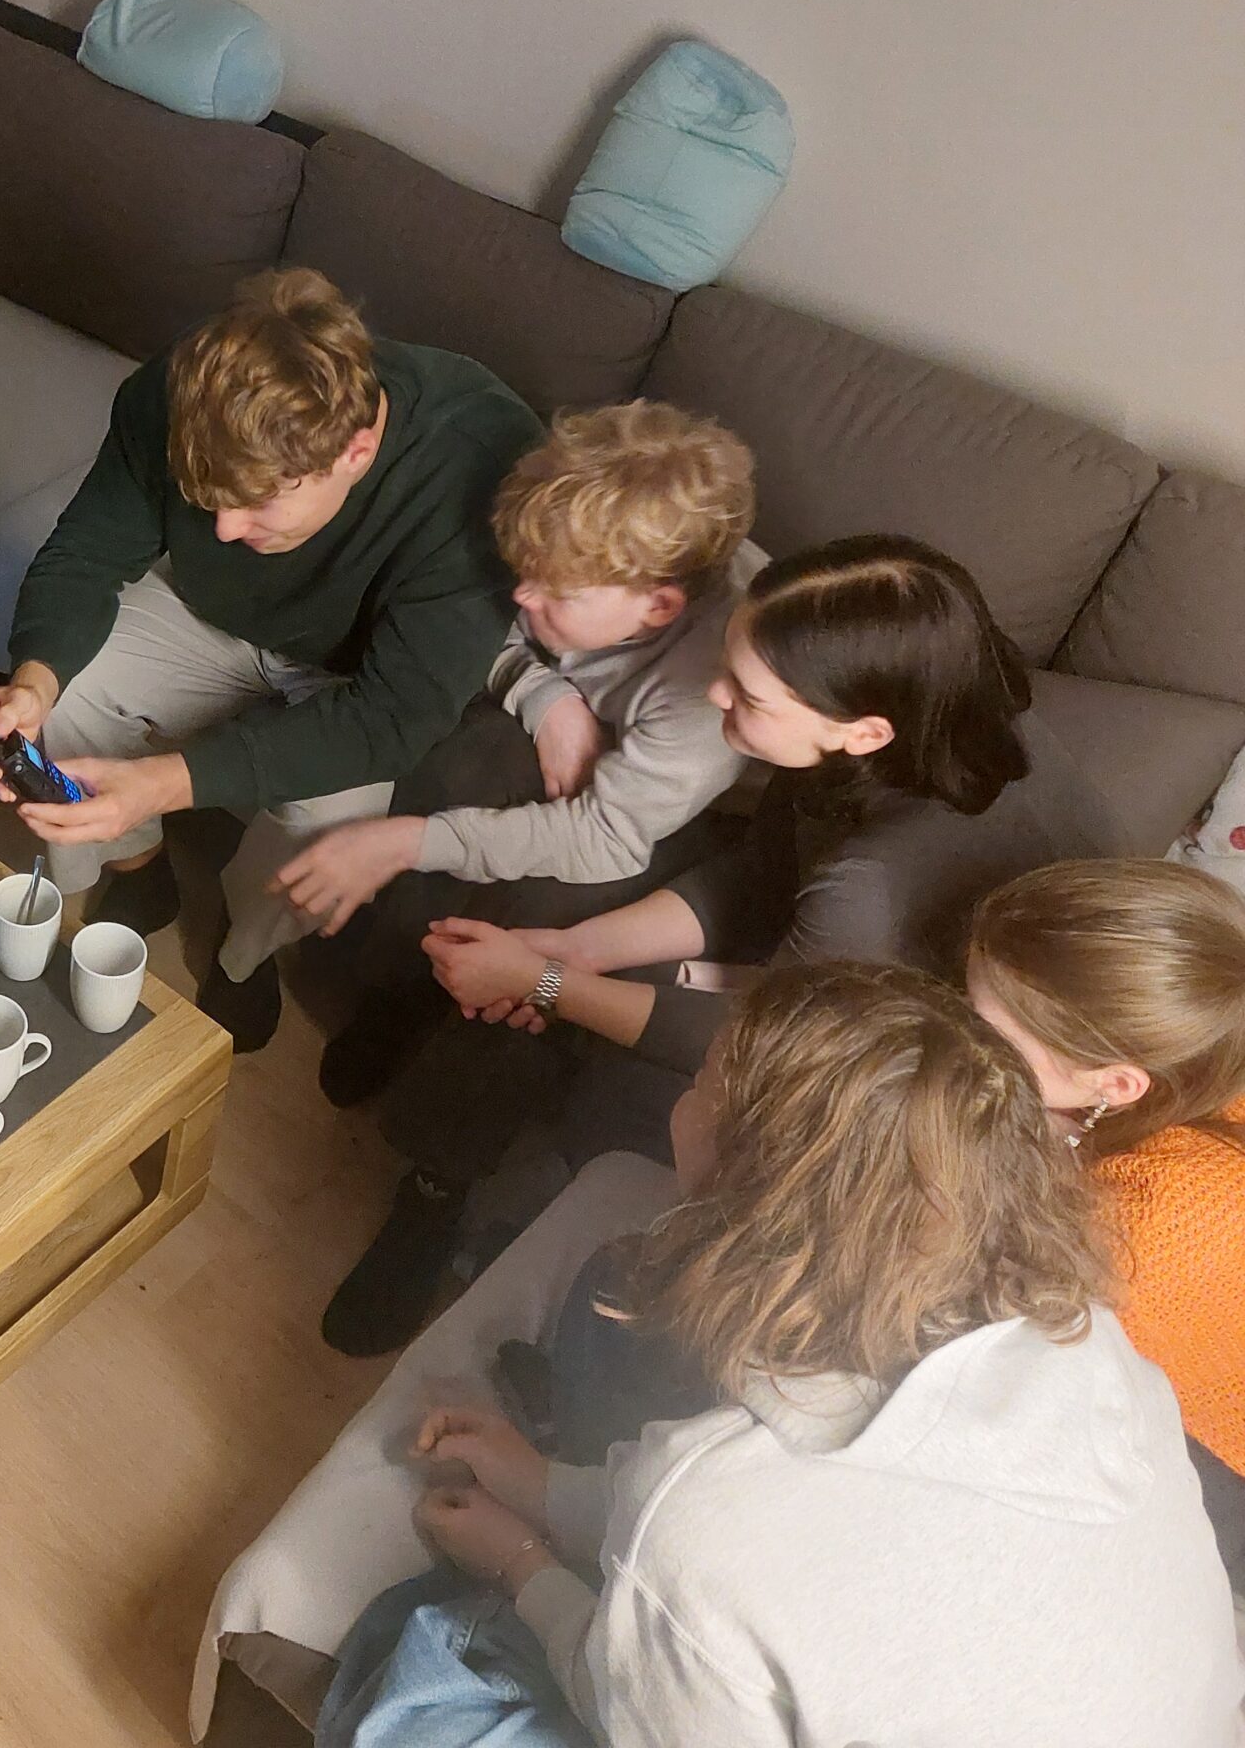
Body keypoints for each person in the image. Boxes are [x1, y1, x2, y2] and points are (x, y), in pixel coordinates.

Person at [352, 963, 1240, 1748]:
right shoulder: (1091, 1343)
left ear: (744, 1207)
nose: (681, 1102)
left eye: (699, 1084)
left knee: (418, 1650)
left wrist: (520, 1565)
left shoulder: (711, 1524)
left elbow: (628, 1691)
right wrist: (542, 1485)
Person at [324, 535, 1114, 1357]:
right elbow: (763, 871)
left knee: (577, 1033)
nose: (714, 694)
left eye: (749, 696)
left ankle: (442, 1191)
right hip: (819, 955)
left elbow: (754, 1047)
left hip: (875, 1049)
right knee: (560, 905)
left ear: (864, 733)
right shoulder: (930, 704)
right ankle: (429, 1009)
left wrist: (547, 981)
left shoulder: (876, 882)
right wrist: (574, 947)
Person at [0, 267, 544, 1048]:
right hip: (207, 615)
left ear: (357, 450)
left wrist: (163, 783)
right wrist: (32, 684)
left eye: (261, 500)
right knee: (70, 693)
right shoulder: (170, 392)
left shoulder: (482, 463)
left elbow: (395, 720)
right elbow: (85, 556)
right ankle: (139, 870)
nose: (226, 531)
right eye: (207, 497)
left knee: (331, 823)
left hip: (356, 673)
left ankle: (240, 958)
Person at [276, 401, 760, 1085]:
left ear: (657, 607)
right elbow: (474, 617)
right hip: (572, 719)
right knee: (463, 764)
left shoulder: (708, 689)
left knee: (545, 900)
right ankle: (391, 987)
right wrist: (548, 698)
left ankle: (436, 1066)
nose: (525, 596)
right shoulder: (566, 557)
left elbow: (608, 837)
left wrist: (408, 841)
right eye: (523, 572)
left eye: (554, 593)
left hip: (682, 811)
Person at [968, 859, 1245, 1585]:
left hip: (1217, 1468)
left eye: (988, 1036)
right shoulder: (1213, 1044)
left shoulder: (1137, 1231)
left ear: (1116, 1086)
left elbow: (1055, 1398)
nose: (960, 1043)